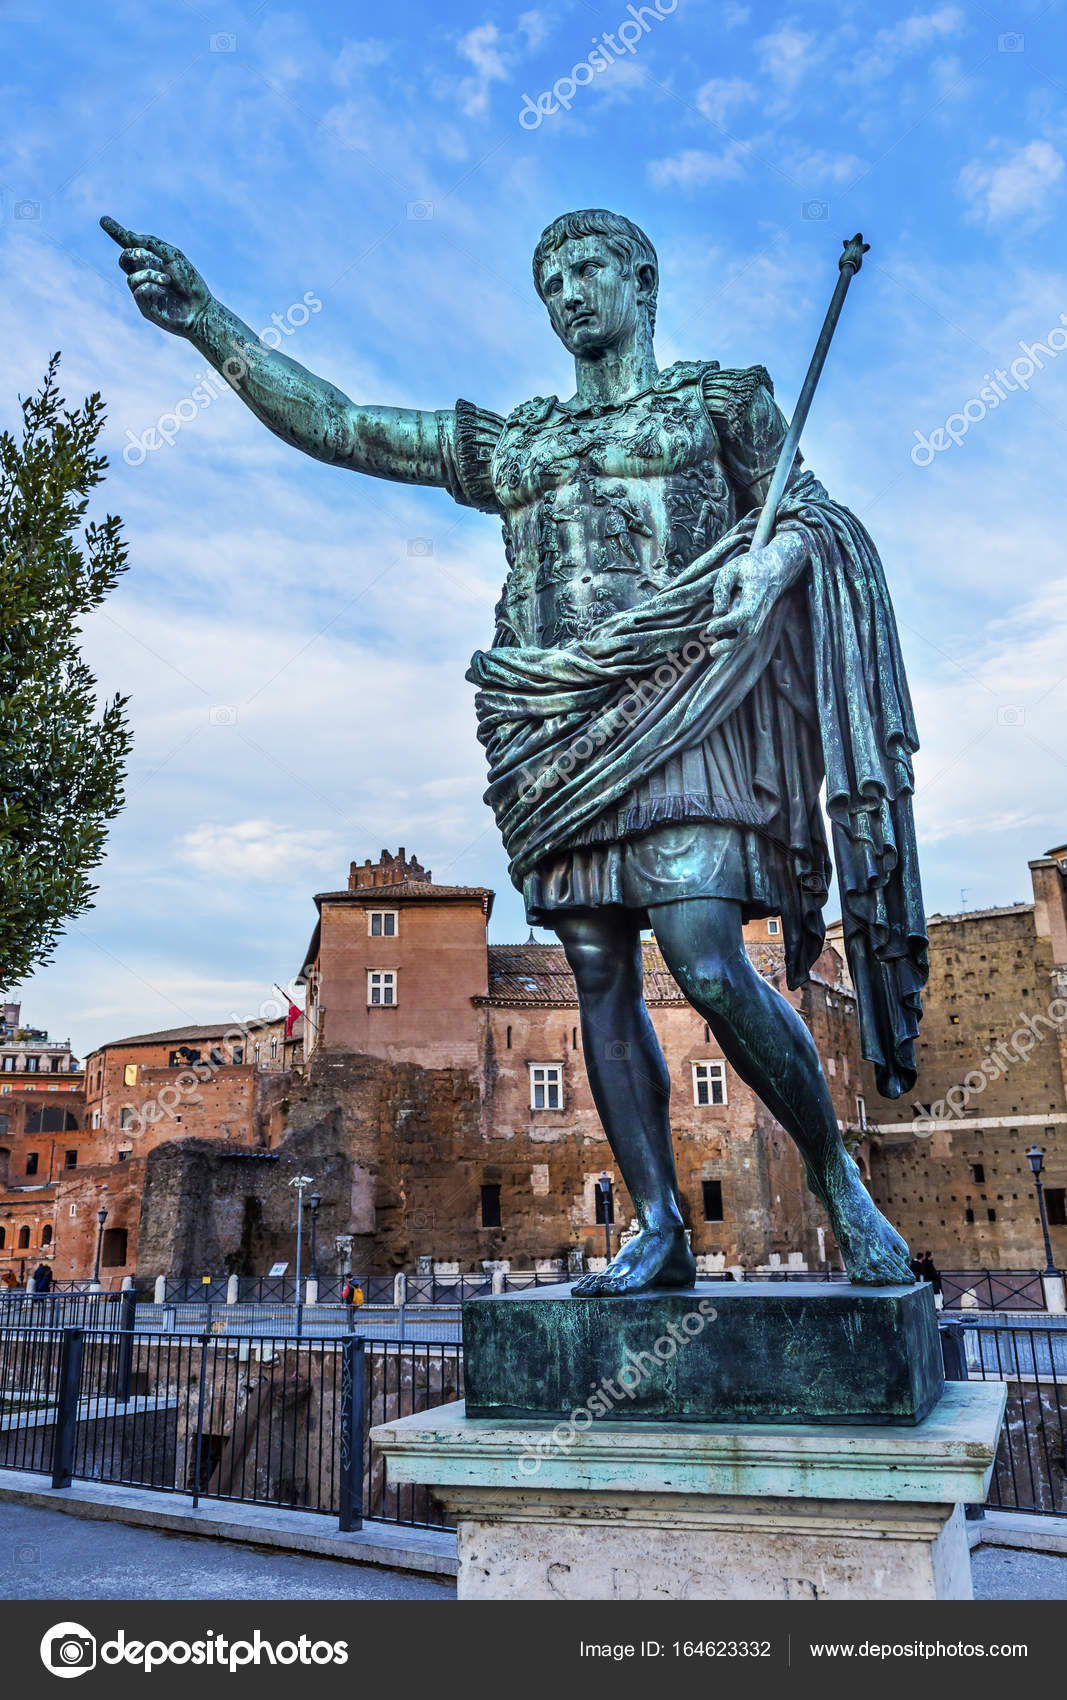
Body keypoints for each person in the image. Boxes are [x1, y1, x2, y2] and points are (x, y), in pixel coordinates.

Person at [103, 207, 927, 1293]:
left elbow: (814, 515)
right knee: (594, 971)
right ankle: (657, 1227)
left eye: (588, 267)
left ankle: (834, 1178)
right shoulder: (520, 441)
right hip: (553, 728)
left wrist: (774, 562)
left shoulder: (718, 404)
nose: (570, 291)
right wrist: (209, 322)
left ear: (641, 278)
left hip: (684, 702)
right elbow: (344, 425)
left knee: (706, 957)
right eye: (551, 280)